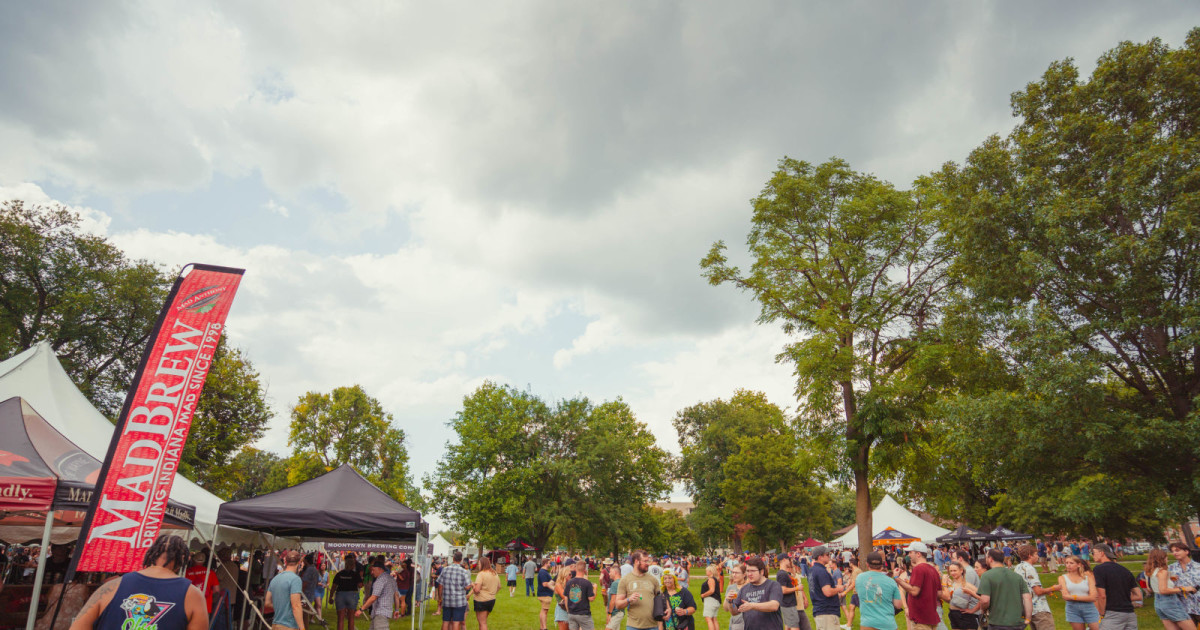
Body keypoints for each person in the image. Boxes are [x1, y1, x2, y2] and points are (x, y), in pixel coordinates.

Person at [68, 534, 208, 630]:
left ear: (151, 553)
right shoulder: (193, 595)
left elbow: (77, 627)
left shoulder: (111, 586)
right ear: (183, 559)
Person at [970, 549, 1031, 630]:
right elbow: (1027, 598)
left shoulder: (987, 576)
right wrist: (1028, 619)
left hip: (997, 623)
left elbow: (985, 600)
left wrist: (983, 610)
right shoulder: (1017, 576)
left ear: (990, 559)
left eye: (986, 557)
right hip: (1017, 623)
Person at [1092, 543, 1140, 630]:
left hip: (1112, 614)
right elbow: (1138, 595)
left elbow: (1102, 595)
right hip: (1130, 614)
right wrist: (1120, 598)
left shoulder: (1099, 569)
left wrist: (1101, 613)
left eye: (1093, 553)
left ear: (1102, 553)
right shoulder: (1125, 570)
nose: (1092, 556)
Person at [892, 542, 940, 630]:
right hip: (930, 616)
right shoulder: (932, 569)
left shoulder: (918, 569)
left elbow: (914, 591)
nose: (909, 555)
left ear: (918, 554)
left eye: (911, 552)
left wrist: (897, 578)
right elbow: (938, 592)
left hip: (921, 618)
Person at [1148, 548, 1198, 630]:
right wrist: (1184, 589)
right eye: (1166, 557)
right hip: (1170, 602)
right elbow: (1163, 590)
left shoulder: (1153, 571)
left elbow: (1155, 588)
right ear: (1162, 559)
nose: (1167, 559)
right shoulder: (1163, 572)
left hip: (1158, 602)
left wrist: (1171, 582)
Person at [613, 549, 663, 630]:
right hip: (633, 626)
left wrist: (667, 610)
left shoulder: (653, 580)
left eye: (648, 561)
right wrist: (628, 599)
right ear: (636, 561)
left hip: (652, 626)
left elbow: (660, 600)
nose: (648, 564)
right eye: (645, 561)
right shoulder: (625, 580)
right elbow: (618, 605)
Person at [1014, 544, 1058, 630]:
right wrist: (1054, 588)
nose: (1037, 556)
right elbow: (1038, 591)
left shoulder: (1018, 567)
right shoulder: (1030, 569)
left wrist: (1046, 591)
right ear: (1030, 555)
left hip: (1027, 608)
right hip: (1039, 608)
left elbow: (1028, 587)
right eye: (1036, 554)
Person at [731, 556, 782, 630]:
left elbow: (774, 606)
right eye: (748, 571)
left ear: (761, 572)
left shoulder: (773, 585)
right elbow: (735, 612)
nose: (749, 574)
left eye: (752, 571)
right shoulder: (744, 589)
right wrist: (729, 602)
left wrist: (752, 605)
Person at [854, 551, 902, 630]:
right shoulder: (891, 581)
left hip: (868, 623)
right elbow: (898, 605)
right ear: (882, 565)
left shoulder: (859, 578)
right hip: (887, 623)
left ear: (867, 564)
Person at [1058, 555, 1101, 630]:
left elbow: (1093, 597)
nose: (1068, 565)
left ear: (1078, 565)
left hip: (1089, 607)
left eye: (1071, 563)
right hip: (1072, 608)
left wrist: (1073, 597)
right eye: (1067, 563)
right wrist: (1086, 598)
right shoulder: (1062, 578)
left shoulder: (1088, 578)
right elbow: (1065, 596)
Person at [356, 560, 400, 630]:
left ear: (379, 569)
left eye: (373, 570)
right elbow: (396, 595)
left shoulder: (380, 581)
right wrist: (397, 610)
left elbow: (373, 597)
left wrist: (361, 609)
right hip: (385, 612)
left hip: (380, 612)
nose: (372, 572)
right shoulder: (391, 579)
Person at [808, 547, 844, 630]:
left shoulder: (811, 570)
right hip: (827, 612)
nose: (829, 556)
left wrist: (835, 587)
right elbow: (828, 592)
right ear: (820, 557)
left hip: (819, 610)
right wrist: (839, 589)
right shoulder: (821, 571)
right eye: (827, 554)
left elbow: (819, 588)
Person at [940, 561, 980, 630]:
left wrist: (973, 610)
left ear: (961, 570)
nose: (952, 573)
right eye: (951, 571)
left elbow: (983, 598)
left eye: (955, 570)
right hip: (953, 614)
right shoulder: (951, 584)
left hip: (965, 616)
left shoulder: (967, 585)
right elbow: (949, 600)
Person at [436, 552, 470, 630]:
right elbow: (467, 587)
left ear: (453, 558)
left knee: (445, 621)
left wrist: (440, 598)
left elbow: (440, 584)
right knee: (456, 622)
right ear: (461, 560)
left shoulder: (445, 569)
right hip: (459, 601)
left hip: (447, 600)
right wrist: (471, 585)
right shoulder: (463, 571)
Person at [1170, 542, 1200, 624]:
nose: (1174, 553)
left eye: (1177, 550)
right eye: (1173, 551)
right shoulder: (1171, 568)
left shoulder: (1198, 567)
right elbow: (1167, 587)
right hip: (1183, 606)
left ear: (1186, 551)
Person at [331, 555, 363, 630]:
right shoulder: (355, 574)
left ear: (345, 564)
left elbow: (333, 586)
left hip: (340, 595)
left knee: (340, 619)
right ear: (353, 565)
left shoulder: (339, 574)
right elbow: (360, 585)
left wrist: (330, 596)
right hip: (352, 595)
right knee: (351, 618)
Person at [565, 562, 597, 630]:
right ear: (585, 570)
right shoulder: (587, 583)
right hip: (583, 613)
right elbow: (591, 598)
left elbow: (566, 598)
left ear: (576, 569)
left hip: (572, 613)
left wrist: (568, 611)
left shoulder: (569, 582)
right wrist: (595, 588)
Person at [775, 557, 802, 630]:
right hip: (788, 604)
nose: (789, 561)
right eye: (788, 559)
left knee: (788, 626)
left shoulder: (784, 573)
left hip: (787, 603)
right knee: (794, 626)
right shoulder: (782, 574)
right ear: (784, 559)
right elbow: (783, 590)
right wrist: (797, 588)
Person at [472, 557, 499, 630]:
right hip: (491, 600)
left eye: (479, 564)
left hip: (481, 600)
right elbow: (499, 586)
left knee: (482, 623)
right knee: (482, 622)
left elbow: (477, 590)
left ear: (483, 564)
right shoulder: (494, 573)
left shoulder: (481, 574)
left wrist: (473, 585)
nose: (478, 565)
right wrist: (491, 592)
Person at [699, 564, 721, 630]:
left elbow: (712, 590)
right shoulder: (715, 579)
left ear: (710, 572)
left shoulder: (711, 579)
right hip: (716, 601)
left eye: (707, 571)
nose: (706, 572)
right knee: (714, 619)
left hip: (710, 600)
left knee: (708, 619)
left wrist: (703, 595)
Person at [840, 560, 860, 630]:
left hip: (858, 593)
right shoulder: (855, 571)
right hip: (856, 593)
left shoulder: (856, 571)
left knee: (865, 611)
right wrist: (846, 585)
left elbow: (853, 584)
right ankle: (848, 625)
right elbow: (851, 581)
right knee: (851, 607)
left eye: (849, 564)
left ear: (851, 564)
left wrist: (845, 592)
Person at [538, 558, 557, 630]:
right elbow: (545, 584)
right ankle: (544, 628)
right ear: (545, 563)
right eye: (549, 563)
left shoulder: (544, 571)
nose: (550, 564)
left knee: (543, 610)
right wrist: (555, 589)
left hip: (543, 593)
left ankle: (542, 627)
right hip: (545, 594)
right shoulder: (543, 572)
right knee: (545, 611)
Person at [605, 566, 624, 630]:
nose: (609, 574)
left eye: (610, 572)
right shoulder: (622, 581)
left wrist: (609, 614)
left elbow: (613, 600)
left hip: (615, 613)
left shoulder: (615, 583)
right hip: (620, 611)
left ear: (615, 572)